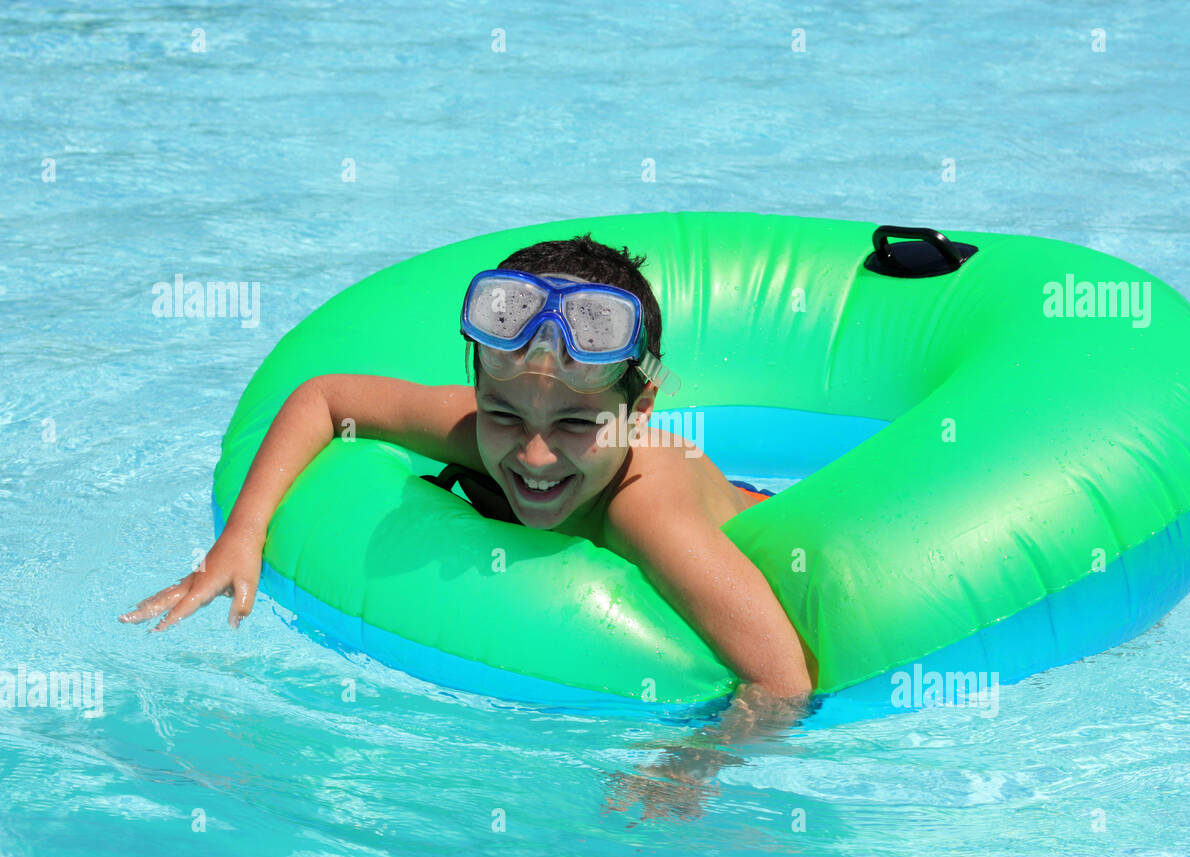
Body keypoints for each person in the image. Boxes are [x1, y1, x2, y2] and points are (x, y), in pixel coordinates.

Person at [120, 233, 815, 821]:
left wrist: (692, 762)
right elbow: (325, 397)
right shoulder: (475, 425)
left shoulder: (647, 511)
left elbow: (784, 681)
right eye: (505, 416)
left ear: (639, 412)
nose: (533, 455)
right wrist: (240, 536)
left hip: (761, 510)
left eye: (575, 425)